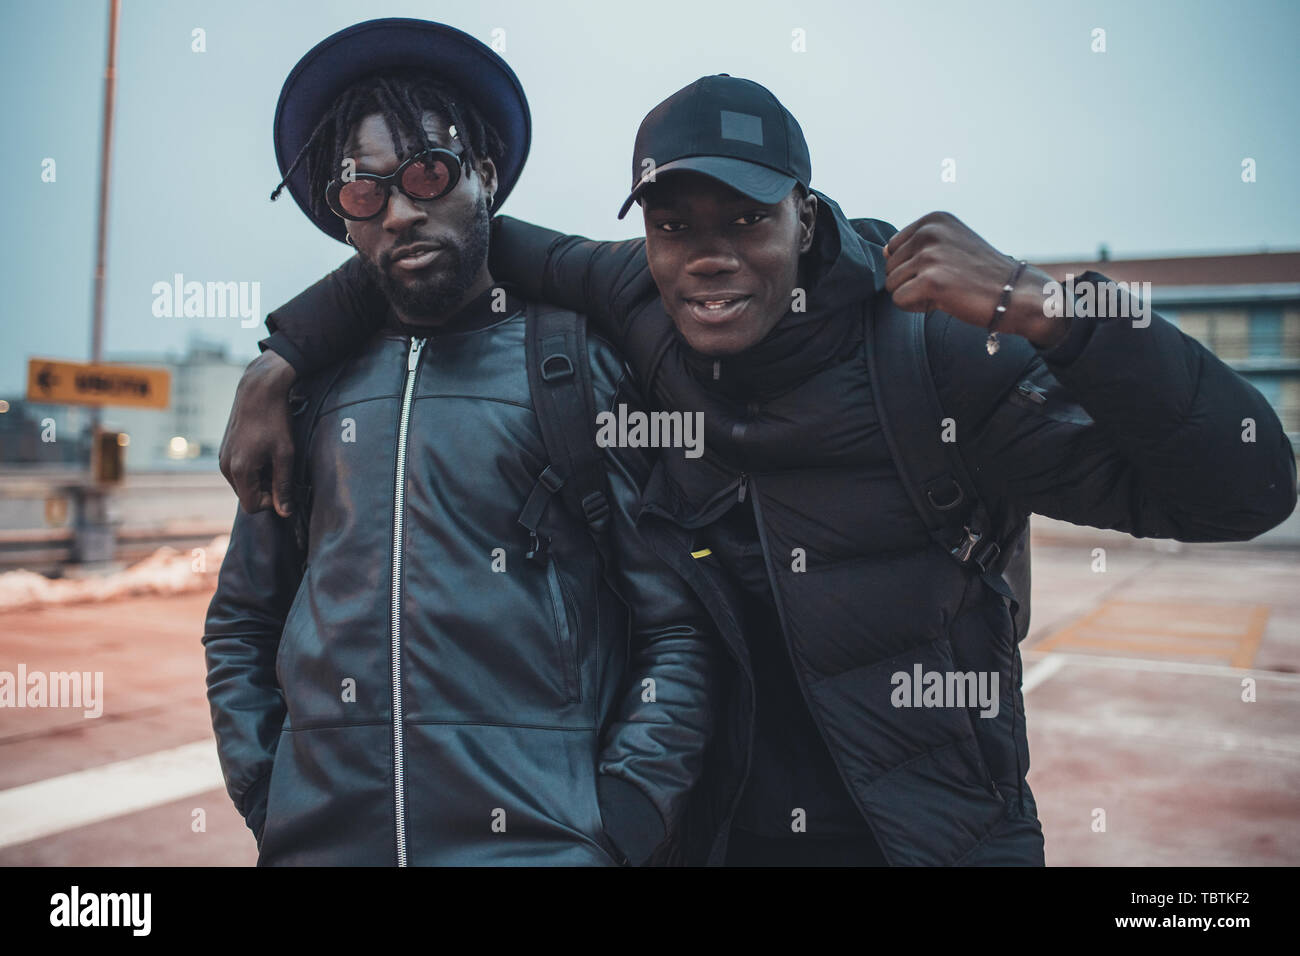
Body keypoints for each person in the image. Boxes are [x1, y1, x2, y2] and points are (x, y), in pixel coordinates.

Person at [220, 71, 1299, 866]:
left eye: (747, 216)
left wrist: (1059, 311)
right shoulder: (645, 308)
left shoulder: (933, 357)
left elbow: (1246, 485)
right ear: (642, 233)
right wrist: (284, 353)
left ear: (806, 216)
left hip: (927, 836)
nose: (710, 254)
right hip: (720, 832)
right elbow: (445, 238)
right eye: (675, 221)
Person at [203, 19, 719, 867]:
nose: (402, 210)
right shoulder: (310, 394)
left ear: (482, 175)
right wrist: (272, 795)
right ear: (345, 220)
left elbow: (677, 626)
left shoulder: (572, 367)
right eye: (365, 192)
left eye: (427, 173)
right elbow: (241, 625)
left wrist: (619, 822)